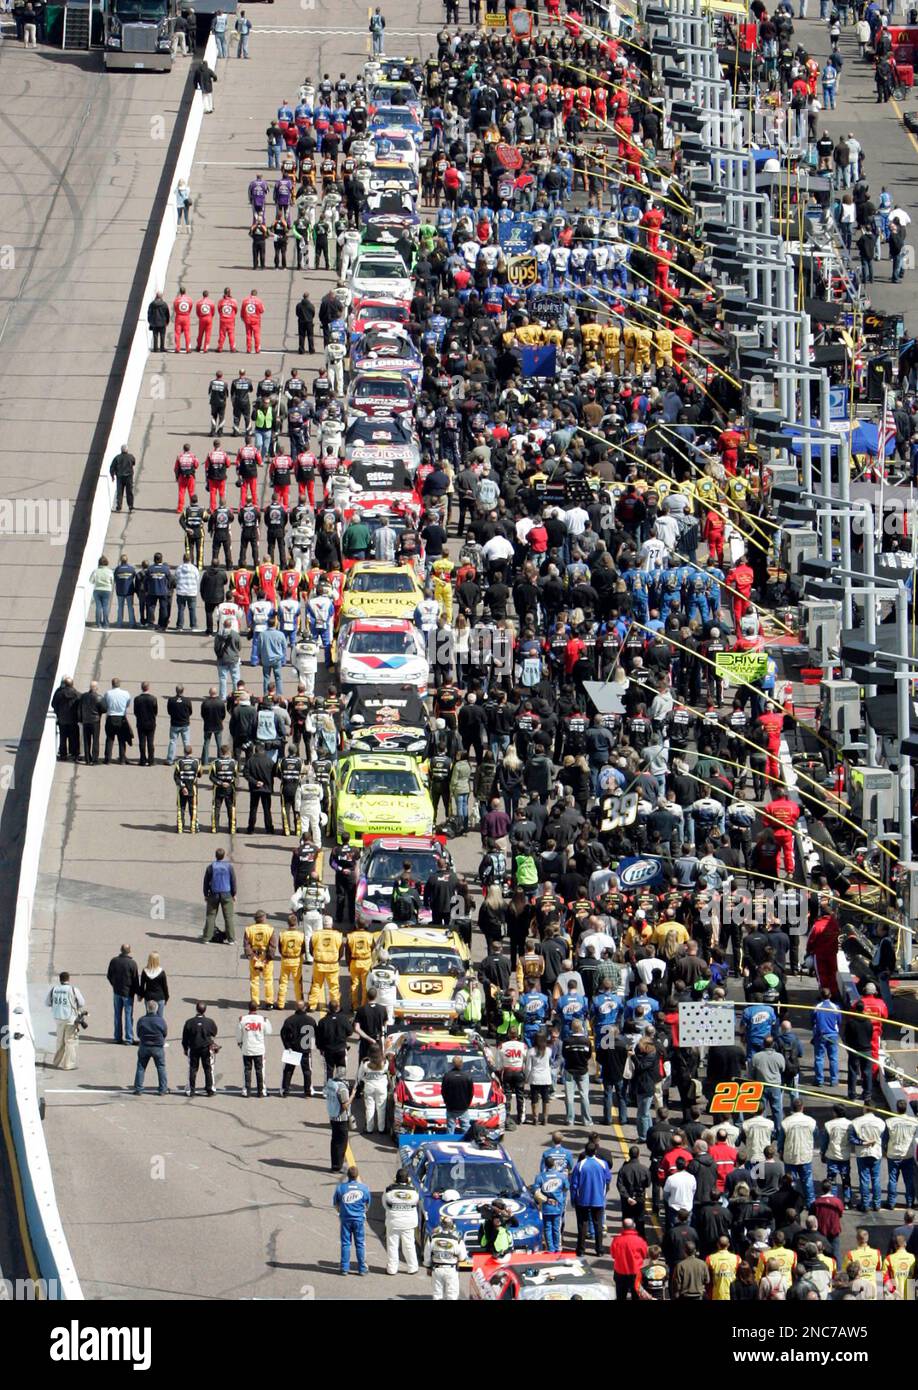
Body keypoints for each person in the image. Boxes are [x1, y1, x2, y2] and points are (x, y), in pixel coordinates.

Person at [570, 1140, 612, 1256]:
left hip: (582, 1200)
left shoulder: (580, 1165)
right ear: (595, 1151)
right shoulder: (603, 1164)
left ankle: (581, 1250)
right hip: (598, 1200)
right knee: (598, 1225)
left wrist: (573, 1199)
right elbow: (608, 1179)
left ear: (585, 1151)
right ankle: (599, 1250)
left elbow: (574, 1185)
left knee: (582, 1225)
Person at [333, 1164, 370, 1275]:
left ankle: (344, 1268)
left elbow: (336, 1204)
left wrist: (341, 1212)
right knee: (360, 1243)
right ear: (357, 1176)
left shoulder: (341, 1188)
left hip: (346, 1219)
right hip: (358, 1219)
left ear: (347, 1176)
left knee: (346, 1243)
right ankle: (362, 1268)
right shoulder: (364, 1188)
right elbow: (367, 1205)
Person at [383, 1167, 420, 1275]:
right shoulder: (413, 1192)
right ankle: (412, 1267)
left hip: (393, 1222)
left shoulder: (389, 1191)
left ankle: (392, 1269)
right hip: (408, 1223)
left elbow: (385, 1205)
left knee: (392, 1246)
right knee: (409, 1245)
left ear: (395, 1179)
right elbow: (416, 1203)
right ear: (408, 1179)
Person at [47, 972, 86, 1070]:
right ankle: (68, 1064)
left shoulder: (54, 989)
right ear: (68, 979)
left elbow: (47, 1002)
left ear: (60, 979)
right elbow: (82, 1003)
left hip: (58, 1018)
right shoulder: (73, 990)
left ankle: (56, 1062)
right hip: (70, 1019)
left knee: (60, 1040)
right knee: (70, 1041)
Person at [424, 1213, 466, 1299]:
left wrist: (428, 1267)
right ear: (452, 1226)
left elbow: (427, 1254)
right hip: (451, 1269)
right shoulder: (457, 1240)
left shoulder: (432, 1238)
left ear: (441, 1225)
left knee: (437, 1293)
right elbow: (462, 1257)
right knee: (452, 1294)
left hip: (436, 1269)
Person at [280, 1000, 316, 1097]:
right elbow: (314, 1035)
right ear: (305, 1008)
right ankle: (307, 1091)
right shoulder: (311, 1020)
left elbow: (283, 1034)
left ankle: (286, 1091)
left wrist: (287, 1046)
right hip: (305, 1049)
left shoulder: (290, 1020)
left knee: (288, 1071)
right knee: (307, 1071)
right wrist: (311, 1047)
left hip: (293, 1049)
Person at [133, 1001, 169, 1096]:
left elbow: (138, 1033)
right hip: (157, 1047)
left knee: (141, 1067)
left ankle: (138, 1088)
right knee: (161, 1067)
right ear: (156, 1009)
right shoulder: (161, 1020)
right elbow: (165, 1033)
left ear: (147, 1008)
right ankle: (162, 1089)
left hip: (144, 1045)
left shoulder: (142, 1020)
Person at [182, 1002, 218, 1097]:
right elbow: (214, 1032)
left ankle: (192, 1090)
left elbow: (184, 1038)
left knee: (193, 1069)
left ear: (196, 1009)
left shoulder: (189, 1022)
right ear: (205, 1010)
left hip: (193, 1048)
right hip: (206, 1048)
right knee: (207, 1068)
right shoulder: (210, 1022)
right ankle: (209, 1089)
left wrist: (185, 1049)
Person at [107, 943, 140, 1044]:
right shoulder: (132, 963)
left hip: (117, 991)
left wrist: (114, 985)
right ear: (129, 951)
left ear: (121, 950)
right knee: (128, 1015)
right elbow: (135, 980)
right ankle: (129, 1038)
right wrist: (138, 993)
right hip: (128, 993)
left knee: (117, 1014)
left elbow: (109, 975)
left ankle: (117, 1037)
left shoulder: (114, 961)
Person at [237, 1001, 271, 1097]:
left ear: (248, 1008)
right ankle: (261, 1091)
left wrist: (240, 1043)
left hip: (247, 1048)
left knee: (247, 1070)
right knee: (260, 1070)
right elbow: (269, 1031)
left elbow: (238, 1035)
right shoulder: (262, 1019)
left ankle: (246, 1091)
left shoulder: (242, 1019)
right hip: (259, 1049)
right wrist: (266, 1021)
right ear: (257, 1008)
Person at [610, 1219, 648, 1301]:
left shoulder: (616, 1240)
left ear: (622, 1227)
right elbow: (644, 1255)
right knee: (636, 1296)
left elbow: (613, 1255)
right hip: (635, 1273)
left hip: (620, 1273)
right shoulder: (640, 1241)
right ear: (634, 1226)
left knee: (620, 1296)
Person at [325, 1065, 353, 1173]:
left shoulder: (331, 1083)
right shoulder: (342, 1087)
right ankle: (338, 1166)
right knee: (342, 1142)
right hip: (341, 1118)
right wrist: (352, 1096)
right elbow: (345, 1105)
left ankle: (335, 1163)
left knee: (335, 1141)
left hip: (332, 1115)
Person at [441, 1053, 475, 1132]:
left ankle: (449, 1142)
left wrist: (447, 1103)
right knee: (466, 1126)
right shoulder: (467, 1076)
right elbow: (471, 1092)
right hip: (463, 1106)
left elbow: (443, 1091)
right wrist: (467, 1104)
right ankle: (468, 1142)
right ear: (462, 1064)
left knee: (450, 1127)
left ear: (452, 1064)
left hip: (451, 1106)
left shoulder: (447, 1076)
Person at [110, 441, 139, 511]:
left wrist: (112, 476)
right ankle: (130, 506)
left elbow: (112, 467)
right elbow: (134, 463)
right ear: (127, 450)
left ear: (121, 450)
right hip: (129, 477)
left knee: (120, 492)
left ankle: (119, 507)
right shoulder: (131, 457)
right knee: (129, 492)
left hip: (120, 477)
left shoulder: (117, 458)